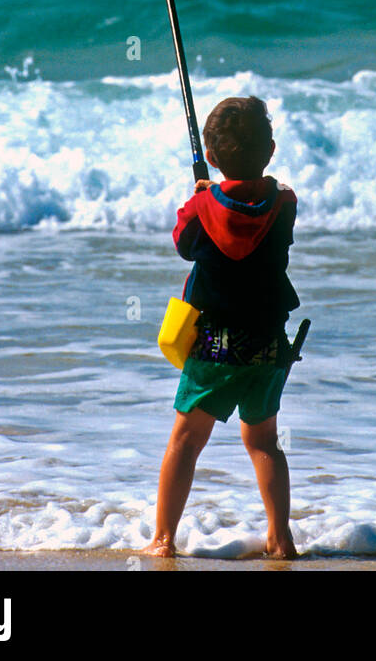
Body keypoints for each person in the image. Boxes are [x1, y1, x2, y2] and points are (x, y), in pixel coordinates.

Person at [145, 95, 300, 558]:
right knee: (265, 442)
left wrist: (200, 197)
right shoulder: (285, 204)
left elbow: (184, 245)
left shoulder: (200, 208)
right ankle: (280, 536)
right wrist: (213, 193)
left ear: (210, 158)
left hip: (213, 347)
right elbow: (267, 209)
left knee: (186, 441)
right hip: (269, 345)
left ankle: (163, 539)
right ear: (270, 151)